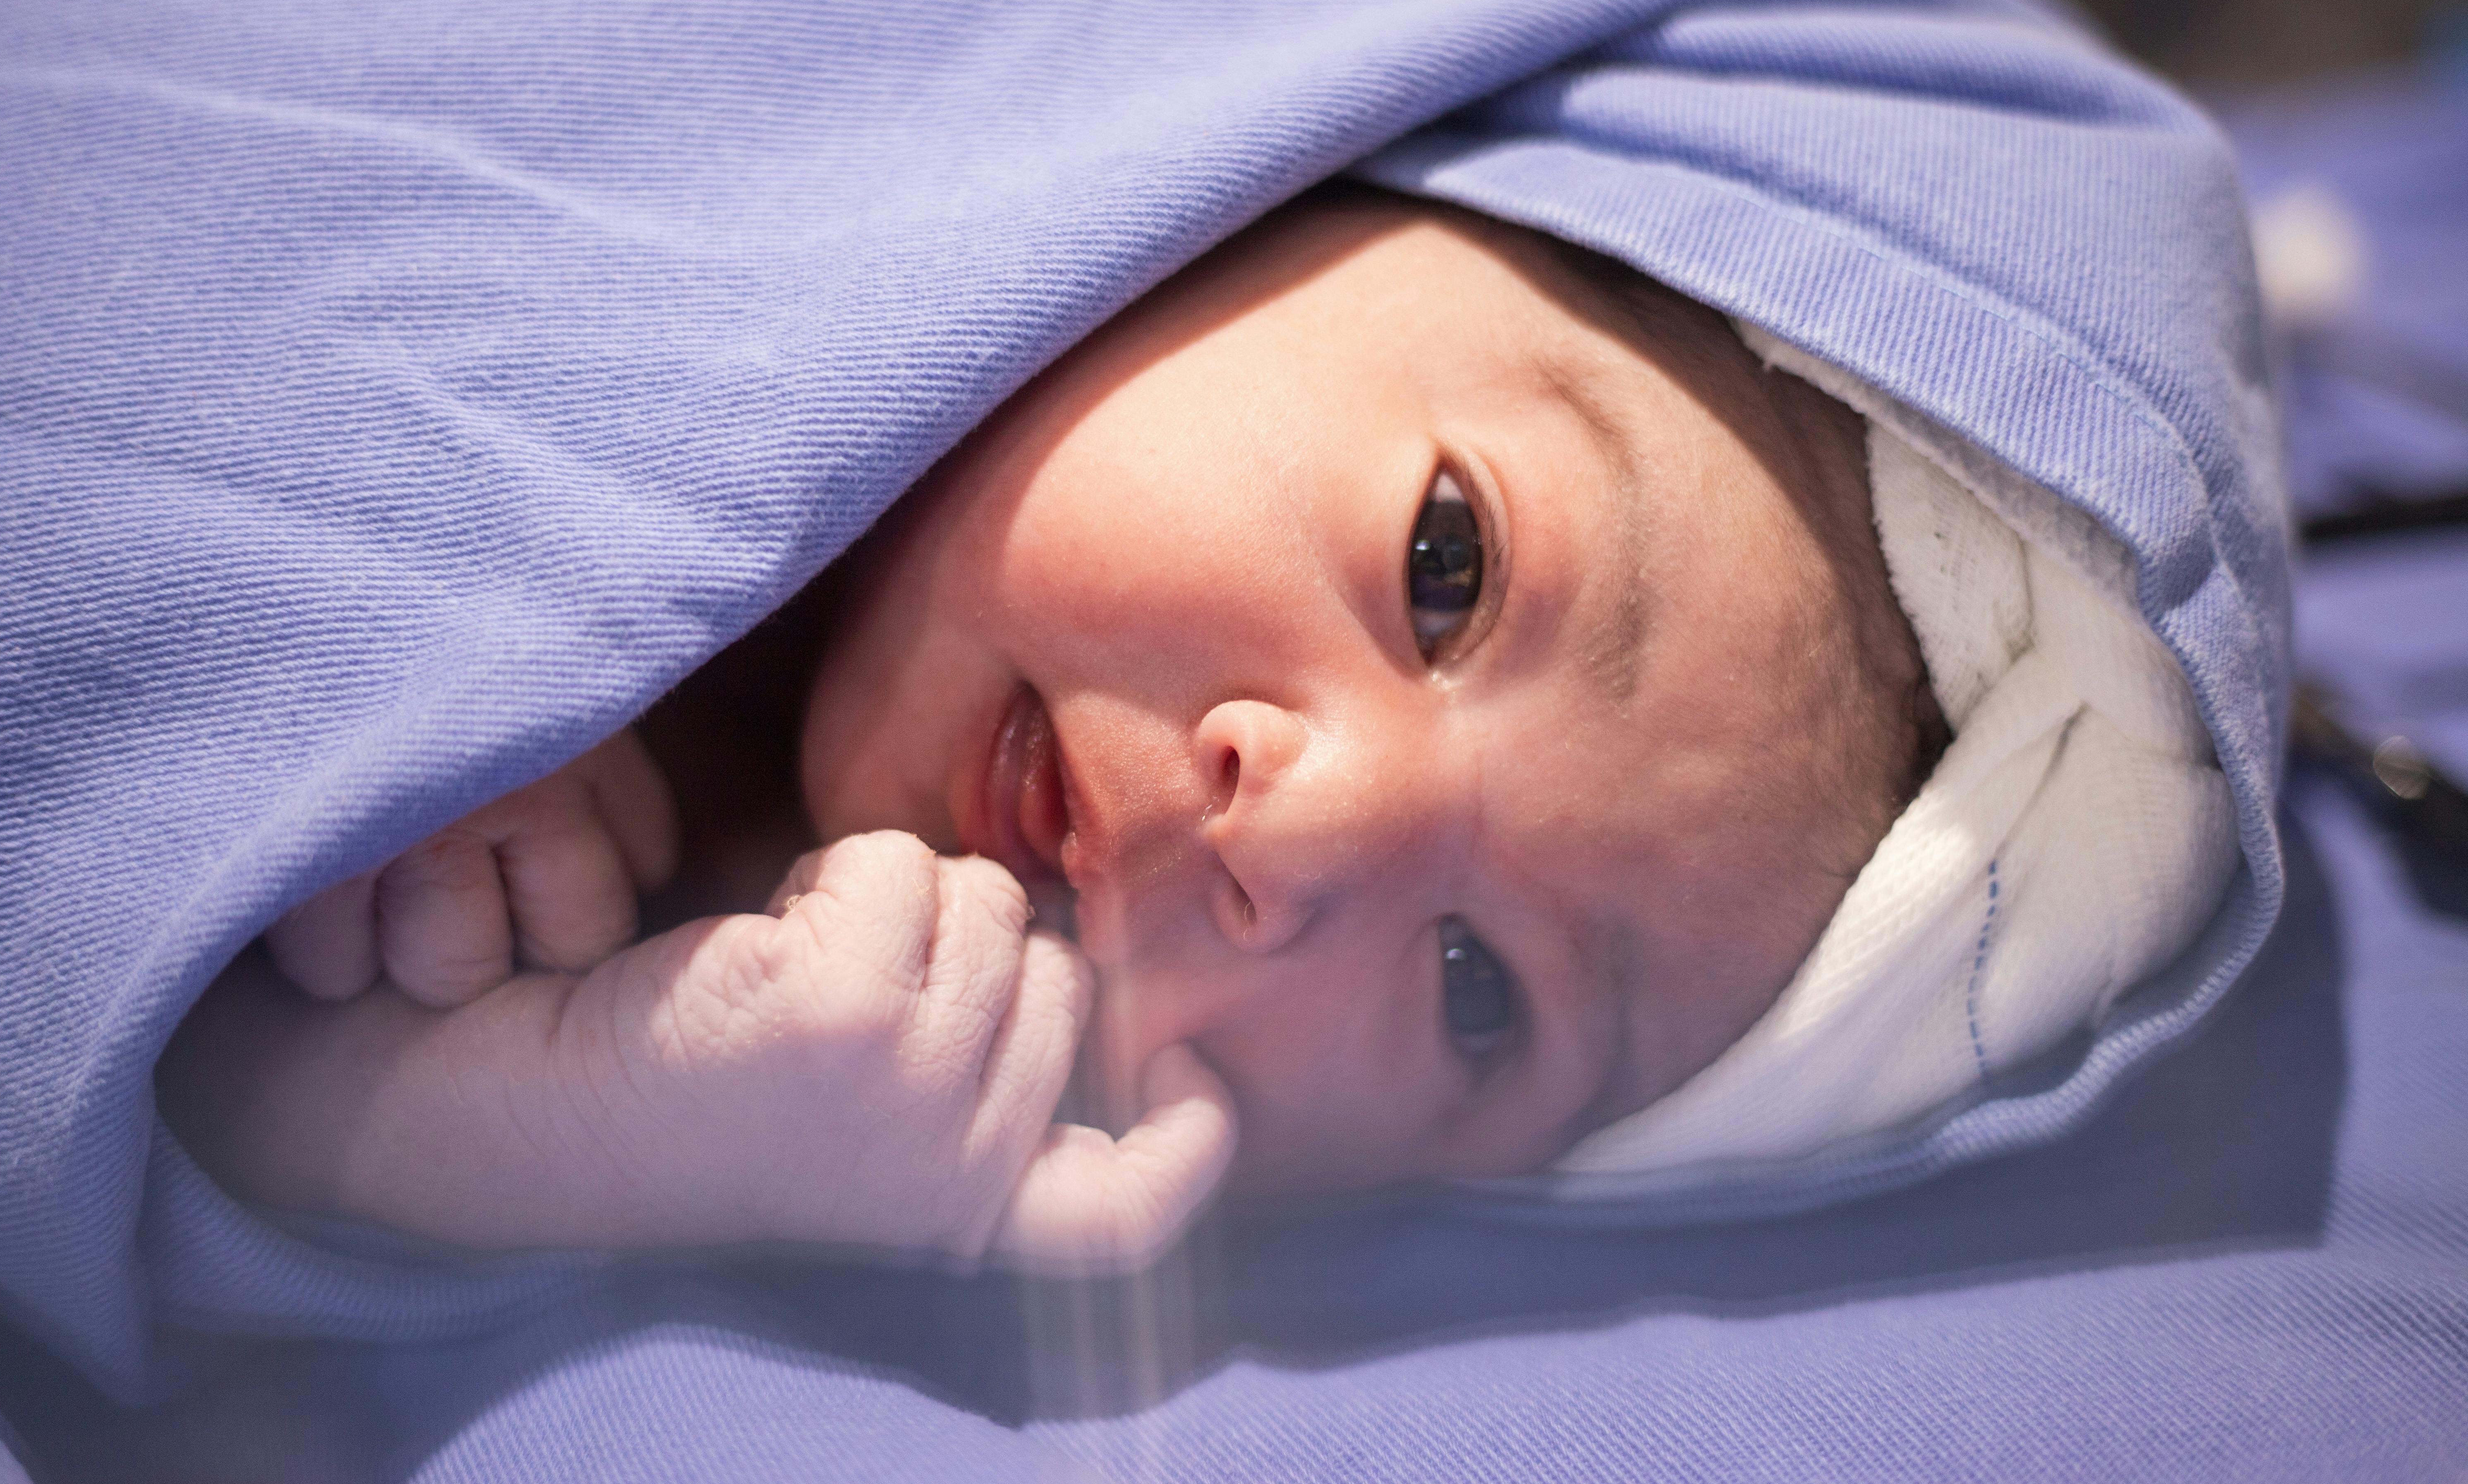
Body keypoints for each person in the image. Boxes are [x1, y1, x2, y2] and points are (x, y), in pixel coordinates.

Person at [157, 187, 1950, 1267]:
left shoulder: (803, 1086)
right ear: (1284, 206)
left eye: (1482, 989)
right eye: (1448, 564)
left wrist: (557, 1126)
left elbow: (116, 1102)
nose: (1306, 839)